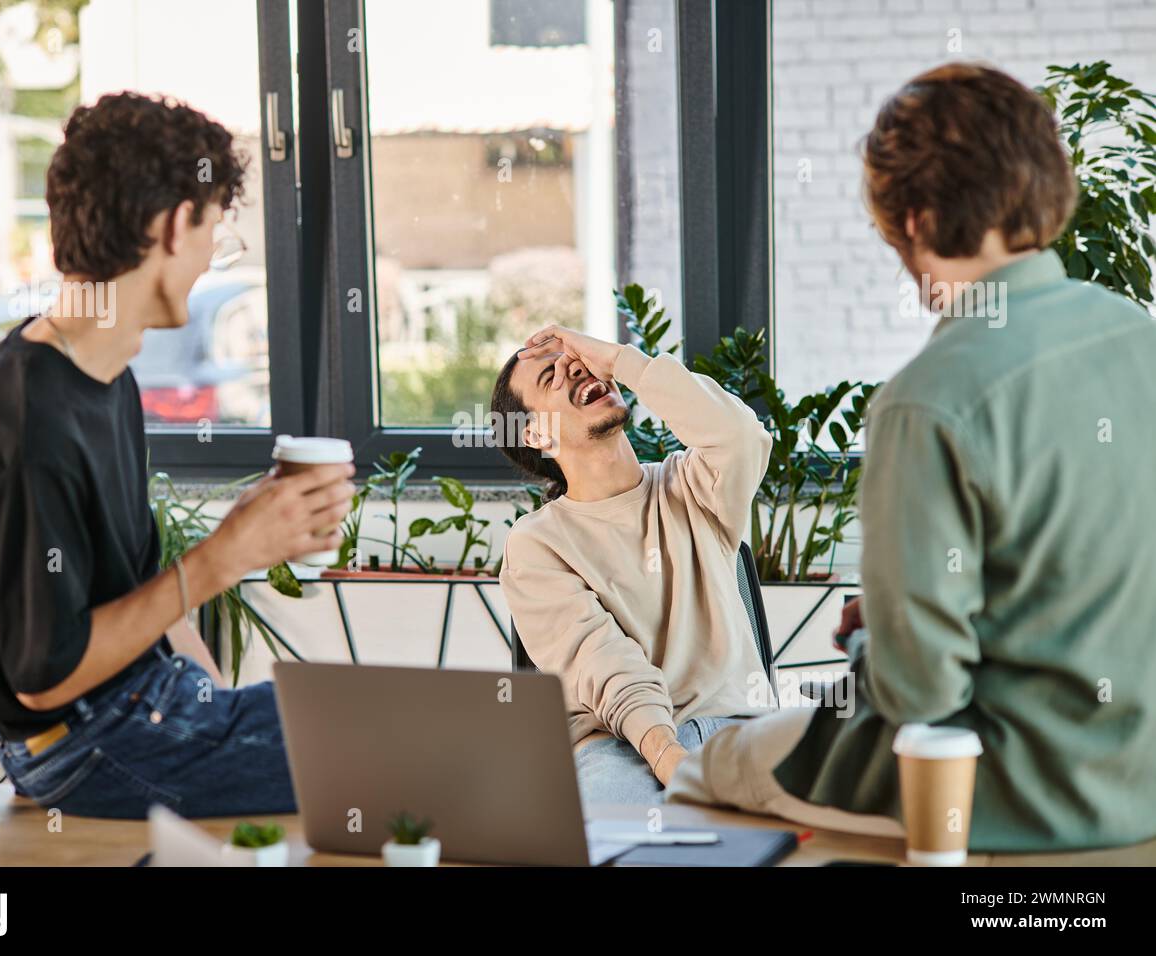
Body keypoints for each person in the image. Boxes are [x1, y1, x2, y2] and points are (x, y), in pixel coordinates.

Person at [667, 63, 1156, 852]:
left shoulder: (926, 400)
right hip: (1143, 771)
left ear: (918, 221)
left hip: (1012, 788)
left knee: (705, 767)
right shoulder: (1138, 334)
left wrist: (877, 640)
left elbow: (919, 692)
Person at [0, 93, 355, 819]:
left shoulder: (104, 379)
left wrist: (216, 707)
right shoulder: (27, 426)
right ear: (175, 224)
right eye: (216, 231)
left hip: (142, 710)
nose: (211, 259)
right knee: (386, 744)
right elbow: (43, 676)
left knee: (373, 718)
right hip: (81, 745)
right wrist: (224, 557)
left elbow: (150, 601)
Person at [493, 323, 773, 805]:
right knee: (623, 842)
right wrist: (669, 759)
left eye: (576, 356)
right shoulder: (537, 544)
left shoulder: (692, 487)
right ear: (536, 434)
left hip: (738, 726)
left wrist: (622, 360)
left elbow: (741, 436)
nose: (572, 365)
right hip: (620, 746)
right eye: (548, 376)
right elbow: (607, 663)